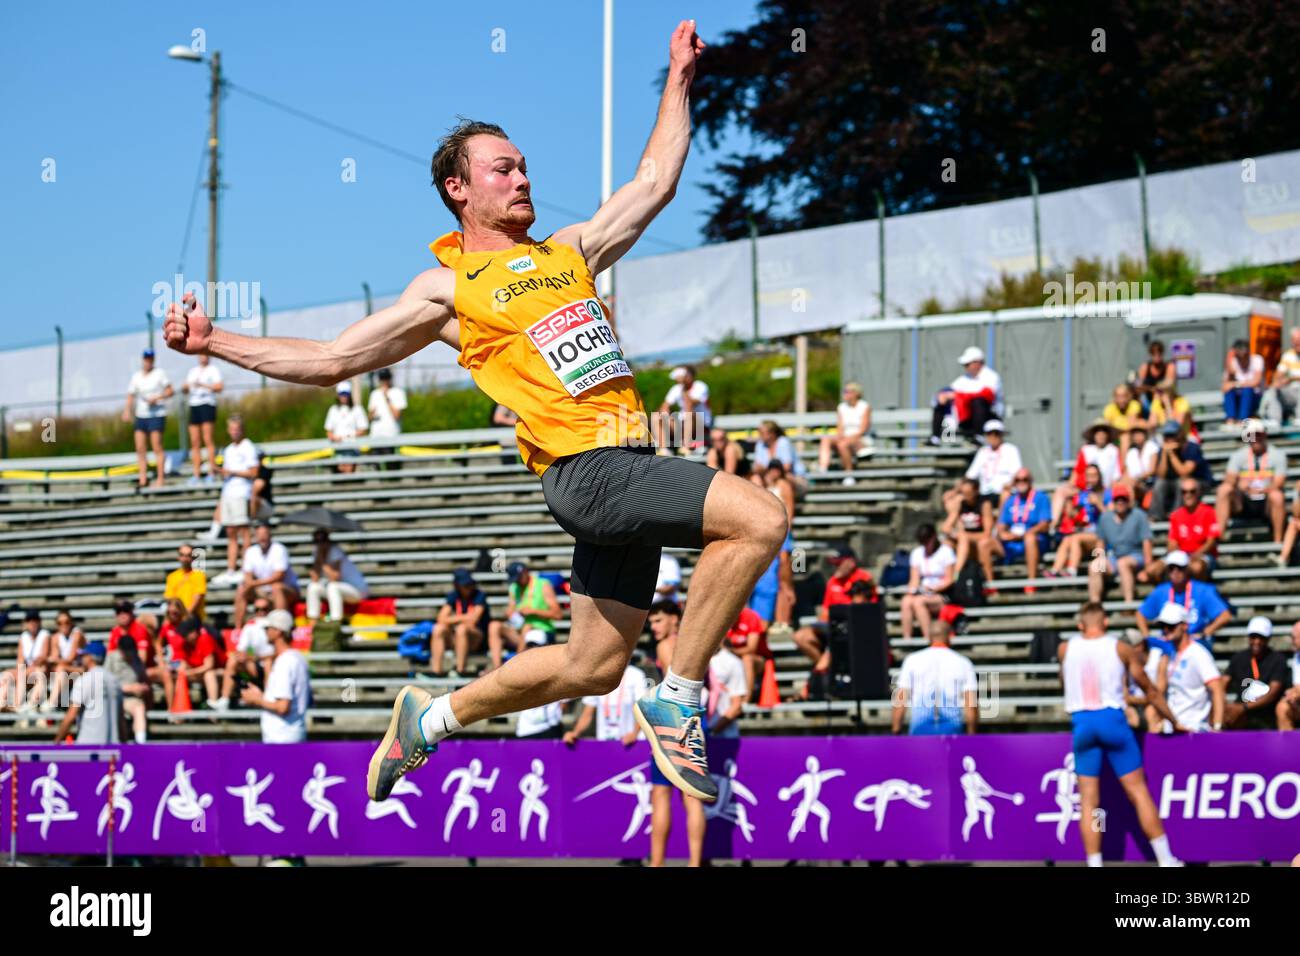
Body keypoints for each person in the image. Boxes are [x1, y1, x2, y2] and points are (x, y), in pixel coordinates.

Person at [167, 24, 784, 809]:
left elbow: (654, 180)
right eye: (503, 168)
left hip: (623, 468)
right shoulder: (448, 289)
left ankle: (431, 717)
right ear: (459, 189)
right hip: (589, 470)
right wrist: (214, 341)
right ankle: (679, 695)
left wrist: (679, 78)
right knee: (761, 518)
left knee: (593, 668)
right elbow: (331, 359)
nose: (522, 177)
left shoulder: (569, 252)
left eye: (524, 165)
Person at [1059, 602, 1183, 867]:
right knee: (1138, 792)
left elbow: (1065, 682)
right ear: (1105, 622)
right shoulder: (1120, 648)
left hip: (1082, 721)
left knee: (1089, 802)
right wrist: (1173, 720)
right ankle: (1166, 860)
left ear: (1080, 625)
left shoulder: (1065, 648)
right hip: (1111, 719)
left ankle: (1094, 863)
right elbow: (1150, 691)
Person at [791, 546, 875, 673]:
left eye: (839, 563)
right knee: (800, 636)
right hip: (832, 628)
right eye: (834, 563)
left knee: (836, 642)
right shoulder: (832, 582)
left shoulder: (864, 579)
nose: (836, 567)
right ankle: (829, 671)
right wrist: (820, 625)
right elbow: (825, 611)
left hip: (855, 629)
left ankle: (823, 670)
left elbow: (867, 610)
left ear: (851, 562)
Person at [201, 414, 261, 586]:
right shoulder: (228, 449)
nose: (234, 432)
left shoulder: (248, 446)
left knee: (244, 532)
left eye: (237, 429)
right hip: (228, 492)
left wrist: (232, 472)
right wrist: (219, 471)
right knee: (231, 533)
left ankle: (245, 569)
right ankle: (231, 569)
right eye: (232, 429)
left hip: (241, 492)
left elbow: (254, 472)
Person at [891, 619, 977, 735]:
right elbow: (971, 703)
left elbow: (901, 699)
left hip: (920, 730)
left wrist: (896, 729)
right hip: (952, 731)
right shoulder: (963, 663)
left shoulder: (912, 660)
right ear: (950, 636)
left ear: (929, 637)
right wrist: (972, 734)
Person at [1135, 551, 1232, 651]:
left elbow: (1225, 616)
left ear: (1187, 570)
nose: (1175, 572)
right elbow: (1140, 614)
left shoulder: (1203, 590)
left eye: (1180, 568)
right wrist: (1147, 636)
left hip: (1195, 642)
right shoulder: (1161, 590)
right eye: (1171, 568)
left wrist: (1205, 633)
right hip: (1169, 642)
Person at [240, 609, 311, 743]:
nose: (265, 632)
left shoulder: (285, 661)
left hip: (281, 738)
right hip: (290, 734)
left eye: (268, 628)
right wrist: (262, 696)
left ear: (278, 631)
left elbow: (282, 707)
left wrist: (257, 700)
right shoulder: (298, 658)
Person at [1155, 603, 1226, 733]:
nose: (1166, 630)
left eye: (1170, 626)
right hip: (1173, 728)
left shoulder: (1198, 654)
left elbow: (1217, 689)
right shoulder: (1169, 655)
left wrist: (1217, 726)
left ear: (1184, 626)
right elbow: (1159, 691)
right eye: (1162, 626)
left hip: (1193, 728)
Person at [977, 468, 1051, 589]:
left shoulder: (1041, 498)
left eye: (1025, 479)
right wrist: (1003, 534)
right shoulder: (1011, 500)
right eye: (1018, 480)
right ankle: (991, 585)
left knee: (1030, 538)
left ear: (1031, 481)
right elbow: (1001, 524)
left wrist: (1025, 534)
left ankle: (1031, 583)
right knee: (984, 543)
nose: (1021, 482)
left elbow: (1044, 524)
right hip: (1012, 542)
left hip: (1034, 541)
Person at [1216, 419, 1287, 543]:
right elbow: (1229, 478)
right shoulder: (1238, 455)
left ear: (1265, 435)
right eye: (1251, 435)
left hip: (1266, 501)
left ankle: (1278, 542)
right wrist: (1240, 485)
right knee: (1224, 489)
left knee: (1277, 496)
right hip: (1244, 500)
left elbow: (1279, 482)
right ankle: (1218, 538)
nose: (1255, 439)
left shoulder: (1277, 454)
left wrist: (1263, 490)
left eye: (1258, 434)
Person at [487, 562, 561, 669]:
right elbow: (512, 608)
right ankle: (497, 667)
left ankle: (513, 667)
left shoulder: (543, 585)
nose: (517, 581)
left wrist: (533, 611)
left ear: (525, 572)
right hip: (519, 630)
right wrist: (510, 613)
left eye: (518, 578)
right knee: (494, 625)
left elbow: (558, 614)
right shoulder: (514, 587)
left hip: (542, 631)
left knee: (528, 627)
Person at [564, 655, 649, 747]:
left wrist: (634, 733)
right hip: (604, 742)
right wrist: (575, 733)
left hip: (631, 743)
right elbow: (587, 713)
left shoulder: (636, 675)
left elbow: (643, 708)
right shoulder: (597, 676)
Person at [1088, 485, 1152, 603]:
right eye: (1117, 499)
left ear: (1129, 501)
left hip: (1136, 557)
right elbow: (1100, 543)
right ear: (1113, 501)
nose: (1120, 502)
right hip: (1115, 557)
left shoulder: (1139, 516)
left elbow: (1146, 543)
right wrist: (1100, 560)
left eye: (1123, 499)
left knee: (1123, 563)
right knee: (1094, 566)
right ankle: (1095, 605)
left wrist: (1147, 570)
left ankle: (1128, 604)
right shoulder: (1105, 518)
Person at [210, 597, 276, 712]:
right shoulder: (250, 626)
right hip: (255, 665)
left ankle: (269, 700)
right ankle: (225, 700)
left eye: (264, 609)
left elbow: (279, 652)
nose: (261, 612)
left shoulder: (276, 626)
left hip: (271, 664)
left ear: (270, 609)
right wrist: (248, 659)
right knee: (233, 659)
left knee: (268, 663)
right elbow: (241, 649)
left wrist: (255, 658)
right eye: (257, 609)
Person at [233, 521, 302, 628]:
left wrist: (254, 584)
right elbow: (247, 576)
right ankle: (238, 628)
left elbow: (279, 576)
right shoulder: (251, 551)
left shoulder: (279, 549)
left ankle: (281, 627)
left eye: (264, 534)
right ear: (255, 536)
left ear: (270, 535)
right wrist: (253, 586)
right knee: (241, 589)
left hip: (287, 590)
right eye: (259, 535)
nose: (262, 537)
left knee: (277, 588)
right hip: (262, 589)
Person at [122, 348, 173, 489]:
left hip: (157, 414)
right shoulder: (136, 376)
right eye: (146, 358)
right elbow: (131, 395)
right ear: (143, 360)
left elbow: (170, 391)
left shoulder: (160, 373)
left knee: (157, 446)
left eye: (150, 359)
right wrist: (127, 410)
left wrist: (157, 398)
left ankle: (161, 479)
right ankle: (143, 479)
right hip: (141, 415)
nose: (148, 361)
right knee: (140, 448)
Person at [1224, 616, 1288, 730]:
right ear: (1248, 637)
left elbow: (1273, 693)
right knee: (1220, 712)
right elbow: (1222, 684)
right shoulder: (1238, 658)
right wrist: (1224, 706)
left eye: (1261, 637)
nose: (1257, 641)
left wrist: (1244, 707)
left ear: (1268, 639)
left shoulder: (1278, 659)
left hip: (1267, 713)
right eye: (1253, 637)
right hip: (1241, 713)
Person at [52, 642, 123, 745]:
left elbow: (71, 716)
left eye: (83, 655)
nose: (81, 659)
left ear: (90, 658)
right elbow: (121, 722)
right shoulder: (114, 681)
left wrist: (56, 742)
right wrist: (125, 748)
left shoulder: (85, 680)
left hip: (88, 745)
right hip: (113, 747)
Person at [1147, 481, 1219, 581]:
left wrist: (1193, 556)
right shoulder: (1176, 515)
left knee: (1197, 567)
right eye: (1184, 492)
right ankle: (1168, 590)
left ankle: (1196, 590)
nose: (1188, 495)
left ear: (1199, 493)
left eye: (1192, 491)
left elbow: (1211, 542)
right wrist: (1179, 558)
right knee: (1151, 570)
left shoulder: (1209, 512)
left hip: (1203, 555)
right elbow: (1172, 543)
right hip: (1181, 554)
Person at [944, 420, 1020, 514]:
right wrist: (954, 491)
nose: (993, 436)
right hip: (984, 493)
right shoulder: (983, 451)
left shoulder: (1011, 450)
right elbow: (969, 475)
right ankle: (961, 522)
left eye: (996, 433)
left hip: (1003, 492)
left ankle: (1001, 522)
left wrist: (1010, 485)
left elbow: (1018, 474)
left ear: (1001, 434)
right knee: (955, 498)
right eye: (989, 433)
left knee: (1005, 494)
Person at [1053, 420, 1121, 524]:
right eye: (1098, 433)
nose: (1101, 436)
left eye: (1103, 433)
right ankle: (1054, 524)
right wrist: (1071, 487)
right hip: (1084, 489)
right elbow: (1077, 472)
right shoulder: (1086, 450)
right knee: (1061, 491)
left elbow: (1116, 476)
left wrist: (1108, 492)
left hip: (1105, 489)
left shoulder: (1113, 450)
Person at [1046, 464, 1109, 578]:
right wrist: (1068, 502)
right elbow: (1074, 516)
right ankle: (1055, 570)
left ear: (1099, 476)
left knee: (1075, 538)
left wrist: (1098, 504)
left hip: (1101, 535)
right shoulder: (1083, 494)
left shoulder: (1107, 493)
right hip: (1085, 533)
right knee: (1067, 539)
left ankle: (1072, 570)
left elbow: (1112, 518)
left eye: (1094, 475)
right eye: (1088, 476)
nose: (1091, 479)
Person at [930, 346, 1003, 442]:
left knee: (978, 402)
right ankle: (936, 438)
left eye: (967, 364)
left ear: (978, 363)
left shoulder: (991, 377)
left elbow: (986, 395)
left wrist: (957, 395)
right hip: (968, 420)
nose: (965, 367)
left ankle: (979, 437)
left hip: (989, 419)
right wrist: (942, 395)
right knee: (941, 403)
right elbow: (949, 390)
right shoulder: (964, 379)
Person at [899, 523, 956, 640]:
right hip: (924, 592)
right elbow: (914, 580)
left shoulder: (946, 551)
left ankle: (929, 638)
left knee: (918, 602)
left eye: (926, 541)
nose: (925, 545)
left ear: (933, 537)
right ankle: (906, 638)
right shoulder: (917, 553)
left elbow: (949, 579)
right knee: (906, 601)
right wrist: (912, 591)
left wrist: (934, 589)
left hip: (942, 594)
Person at [1148, 420, 1212, 520]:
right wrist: (1164, 454)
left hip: (1199, 481)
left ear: (1180, 435)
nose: (1170, 439)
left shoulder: (1192, 448)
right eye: (1167, 436)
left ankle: (1177, 516)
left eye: (1172, 435)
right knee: (1160, 483)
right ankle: (1155, 516)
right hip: (1174, 482)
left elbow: (1184, 473)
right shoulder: (1162, 450)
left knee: (1182, 483)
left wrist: (1172, 455)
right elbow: (1161, 475)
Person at [435, 568, 491, 677]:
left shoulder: (479, 595)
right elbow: (441, 618)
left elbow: (474, 619)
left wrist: (453, 619)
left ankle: (460, 670)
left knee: (462, 629)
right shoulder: (454, 595)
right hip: (457, 638)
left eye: (470, 584)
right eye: (465, 585)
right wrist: (465, 617)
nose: (469, 587)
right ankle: (437, 672)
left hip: (476, 639)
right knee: (438, 628)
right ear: (457, 586)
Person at [305, 529, 370, 621]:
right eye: (316, 541)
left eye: (322, 540)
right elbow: (315, 579)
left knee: (333, 586)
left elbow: (334, 577)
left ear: (328, 540)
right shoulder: (316, 551)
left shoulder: (335, 551)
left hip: (357, 591)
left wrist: (322, 562)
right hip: (339, 590)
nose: (320, 544)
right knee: (313, 587)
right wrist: (317, 561)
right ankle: (313, 621)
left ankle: (335, 621)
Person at [817, 382, 872, 482]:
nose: (844, 394)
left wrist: (847, 438)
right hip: (845, 437)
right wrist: (841, 436)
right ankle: (822, 468)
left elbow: (863, 429)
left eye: (847, 391)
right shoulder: (841, 407)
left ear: (856, 393)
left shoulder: (864, 406)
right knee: (826, 439)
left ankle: (848, 474)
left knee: (843, 444)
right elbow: (840, 428)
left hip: (860, 438)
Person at [183, 354, 223, 485]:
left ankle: (212, 472)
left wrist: (204, 385)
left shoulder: (213, 370)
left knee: (207, 439)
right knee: (194, 442)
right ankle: (196, 473)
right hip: (194, 405)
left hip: (207, 404)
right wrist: (185, 387)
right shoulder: (192, 371)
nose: (203, 357)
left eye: (205, 354)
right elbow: (185, 389)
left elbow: (219, 387)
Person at [0, 609, 50, 713]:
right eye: (29, 620)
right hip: (29, 670)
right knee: (6, 675)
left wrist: (23, 670)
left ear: (39, 622)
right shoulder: (23, 637)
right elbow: (20, 659)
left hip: (40, 670)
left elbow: (42, 659)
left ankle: (17, 705)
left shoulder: (44, 635)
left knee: (28, 673)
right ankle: (3, 704)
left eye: (35, 620)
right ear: (26, 622)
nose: (32, 623)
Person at [166, 615, 222, 707]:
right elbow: (183, 663)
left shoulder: (205, 638)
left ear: (194, 632)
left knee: (209, 674)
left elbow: (209, 665)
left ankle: (213, 706)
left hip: (219, 670)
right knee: (177, 674)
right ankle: (176, 709)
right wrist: (177, 669)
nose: (183, 636)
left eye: (185, 634)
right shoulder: (185, 644)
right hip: (198, 672)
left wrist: (189, 672)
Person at [942, 477, 993, 575]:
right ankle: (944, 575)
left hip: (981, 541)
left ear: (976, 491)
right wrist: (956, 533)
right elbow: (945, 527)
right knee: (947, 543)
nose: (965, 496)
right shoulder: (961, 503)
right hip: (964, 541)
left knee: (964, 537)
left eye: (968, 493)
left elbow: (987, 534)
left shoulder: (984, 504)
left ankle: (956, 574)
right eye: (963, 493)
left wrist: (964, 535)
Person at [655, 364, 711, 450]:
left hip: (701, 425)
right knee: (657, 415)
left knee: (689, 413)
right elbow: (665, 405)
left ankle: (685, 447)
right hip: (683, 425)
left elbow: (690, 404)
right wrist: (665, 412)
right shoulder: (676, 388)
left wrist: (683, 386)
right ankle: (664, 449)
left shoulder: (700, 386)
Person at [723, 605, 771, 702]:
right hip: (733, 658)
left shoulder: (750, 616)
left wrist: (732, 652)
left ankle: (746, 699)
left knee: (747, 658)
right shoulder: (722, 618)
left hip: (758, 659)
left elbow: (752, 648)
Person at [41, 610, 85, 713]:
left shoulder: (77, 634)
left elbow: (70, 659)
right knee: (43, 669)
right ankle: (33, 704)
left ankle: (52, 702)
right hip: (67, 671)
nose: (64, 625)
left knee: (60, 669)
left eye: (67, 622)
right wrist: (50, 660)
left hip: (81, 670)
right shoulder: (55, 637)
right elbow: (56, 658)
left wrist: (52, 659)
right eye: (60, 623)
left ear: (71, 623)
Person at [750, 420, 807, 494]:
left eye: (762, 433)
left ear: (773, 433)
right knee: (756, 479)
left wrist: (768, 471)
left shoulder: (783, 442)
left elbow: (786, 467)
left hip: (795, 478)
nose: (760, 435)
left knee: (782, 481)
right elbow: (758, 466)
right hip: (769, 478)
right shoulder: (760, 445)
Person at [325, 381, 370, 474]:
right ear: (338, 395)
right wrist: (334, 438)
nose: (344, 396)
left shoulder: (357, 409)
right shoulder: (333, 410)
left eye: (346, 394)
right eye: (342, 394)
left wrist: (350, 436)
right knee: (341, 471)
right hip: (338, 449)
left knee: (349, 470)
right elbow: (328, 431)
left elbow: (363, 429)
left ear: (349, 394)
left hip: (353, 449)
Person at [1260, 326, 1300, 426]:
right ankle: (1274, 420)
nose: (1297, 343)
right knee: (1274, 390)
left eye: (1299, 340)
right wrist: (1277, 382)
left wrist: (1291, 379)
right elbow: (1279, 373)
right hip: (1291, 392)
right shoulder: (1288, 355)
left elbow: (1290, 378)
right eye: (1294, 340)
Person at [1221, 338, 1265, 427]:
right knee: (1229, 391)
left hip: (1254, 398)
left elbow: (1255, 382)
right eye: (1239, 356)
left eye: (1244, 355)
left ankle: (1242, 420)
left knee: (1247, 390)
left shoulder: (1257, 360)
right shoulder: (1233, 362)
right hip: (1237, 399)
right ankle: (1230, 420)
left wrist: (1235, 384)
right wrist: (1229, 360)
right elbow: (1224, 387)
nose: (1242, 358)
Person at [165, 543, 208, 620]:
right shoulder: (172, 576)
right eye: (182, 555)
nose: (185, 558)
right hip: (177, 616)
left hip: (193, 616)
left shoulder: (199, 576)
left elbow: (197, 600)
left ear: (193, 557)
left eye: (188, 555)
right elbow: (170, 599)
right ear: (178, 557)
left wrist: (185, 616)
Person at [1134, 340, 1176, 416]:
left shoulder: (1169, 366)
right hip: (1148, 401)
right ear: (1150, 353)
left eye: (1159, 352)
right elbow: (1137, 384)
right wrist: (1149, 388)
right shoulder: (1145, 367)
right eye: (1153, 353)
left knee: (1164, 396)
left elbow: (1169, 383)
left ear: (1162, 353)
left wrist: (1152, 388)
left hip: (1164, 400)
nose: (1156, 355)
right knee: (1138, 399)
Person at [366, 367, 407, 444]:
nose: (384, 381)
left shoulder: (398, 392)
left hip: (392, 436)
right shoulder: (374, 394)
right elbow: (369, 419)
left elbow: (397, 416)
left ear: (390, 378)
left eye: (386, 378)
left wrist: (386, 397)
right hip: (375, 436)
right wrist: (372, 414)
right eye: (382, 378)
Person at [1275, 622, 1300, 730]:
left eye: (1294, 638)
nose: (1292, 641)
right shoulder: (1297, 656)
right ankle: (1290, 741)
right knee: (1282, 707)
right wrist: (1292, 694)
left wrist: (1297, 693)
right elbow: (1297, 684)